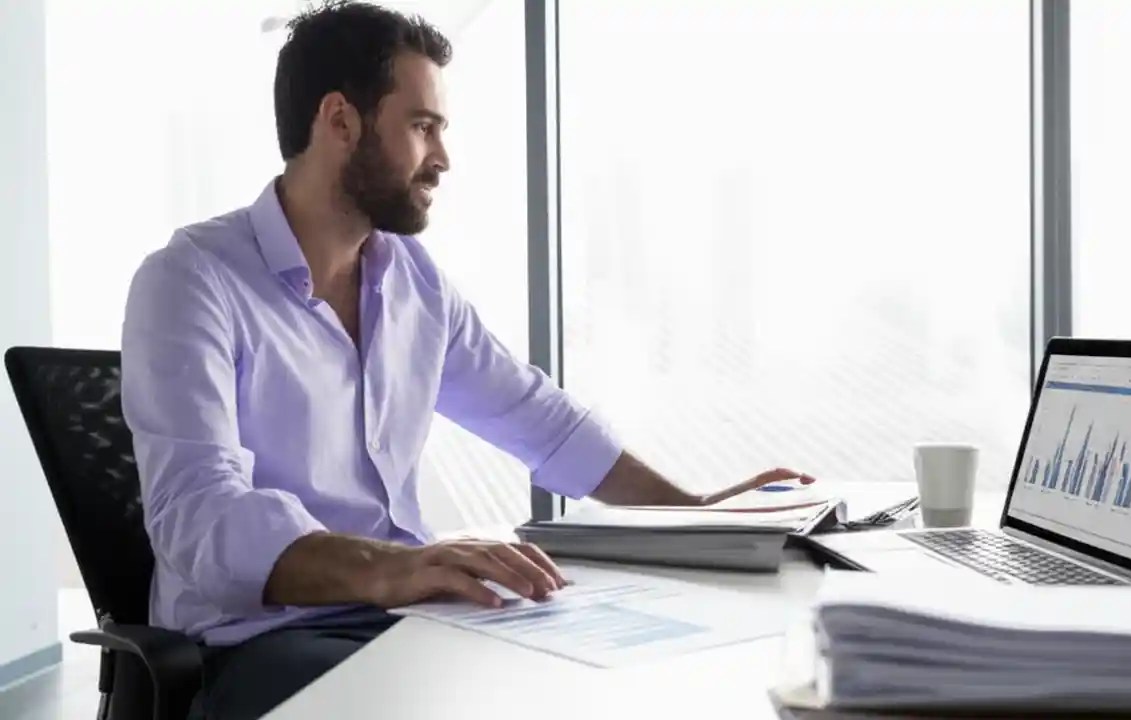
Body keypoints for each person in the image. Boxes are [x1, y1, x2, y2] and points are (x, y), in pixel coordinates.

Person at [121, 2, 813, 718]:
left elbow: (540, 421)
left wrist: (696, 517)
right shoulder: (192, 281)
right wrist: (390, 569)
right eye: (423, 127)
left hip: (407, 617)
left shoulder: (410, 279)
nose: (443, 157)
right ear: (339, 121)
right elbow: (200, 515)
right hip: (259, 642)